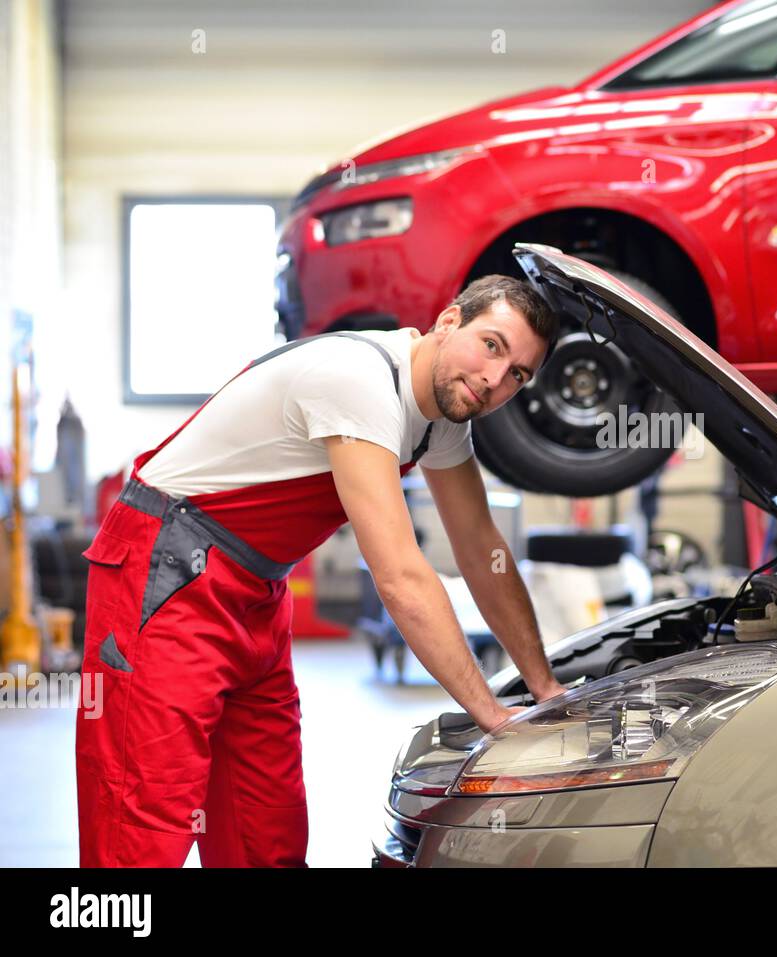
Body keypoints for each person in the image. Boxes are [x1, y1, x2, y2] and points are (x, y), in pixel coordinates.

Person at [76, 274, 565, 867]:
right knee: (143, 818)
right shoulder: (359, 380)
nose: (495, 380)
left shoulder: (443, 420)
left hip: (254, 590)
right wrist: (490, 713)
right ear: (448, 321)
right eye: (492, 345)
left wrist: (544, 688)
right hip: (166, 572)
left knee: (265, 826)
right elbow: (400, 575)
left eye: (518, 373)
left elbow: (481, 547)